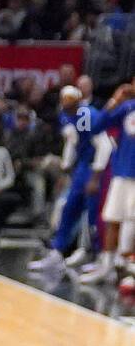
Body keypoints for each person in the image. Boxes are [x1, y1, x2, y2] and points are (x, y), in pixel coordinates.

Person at [29, 85, 112, 281]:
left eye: (68, 98)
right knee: (68, 209)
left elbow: (104, 145)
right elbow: (72, 142)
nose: (64, 102)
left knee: (94, 215)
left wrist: (95, 177)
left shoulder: (87, 114)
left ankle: (99, 258)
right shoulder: (66, 115)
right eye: (62, 98)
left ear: (77, 98)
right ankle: (57, 253)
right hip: (81, 167)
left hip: (96, 167)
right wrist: (65, 169)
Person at [76, 83, 135, 285]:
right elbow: (97, 126)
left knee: (131, 222)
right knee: (112, 219)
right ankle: (107, 266)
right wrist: (115, 100)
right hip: (121, 173)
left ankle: (125, 270)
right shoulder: (128, 107)